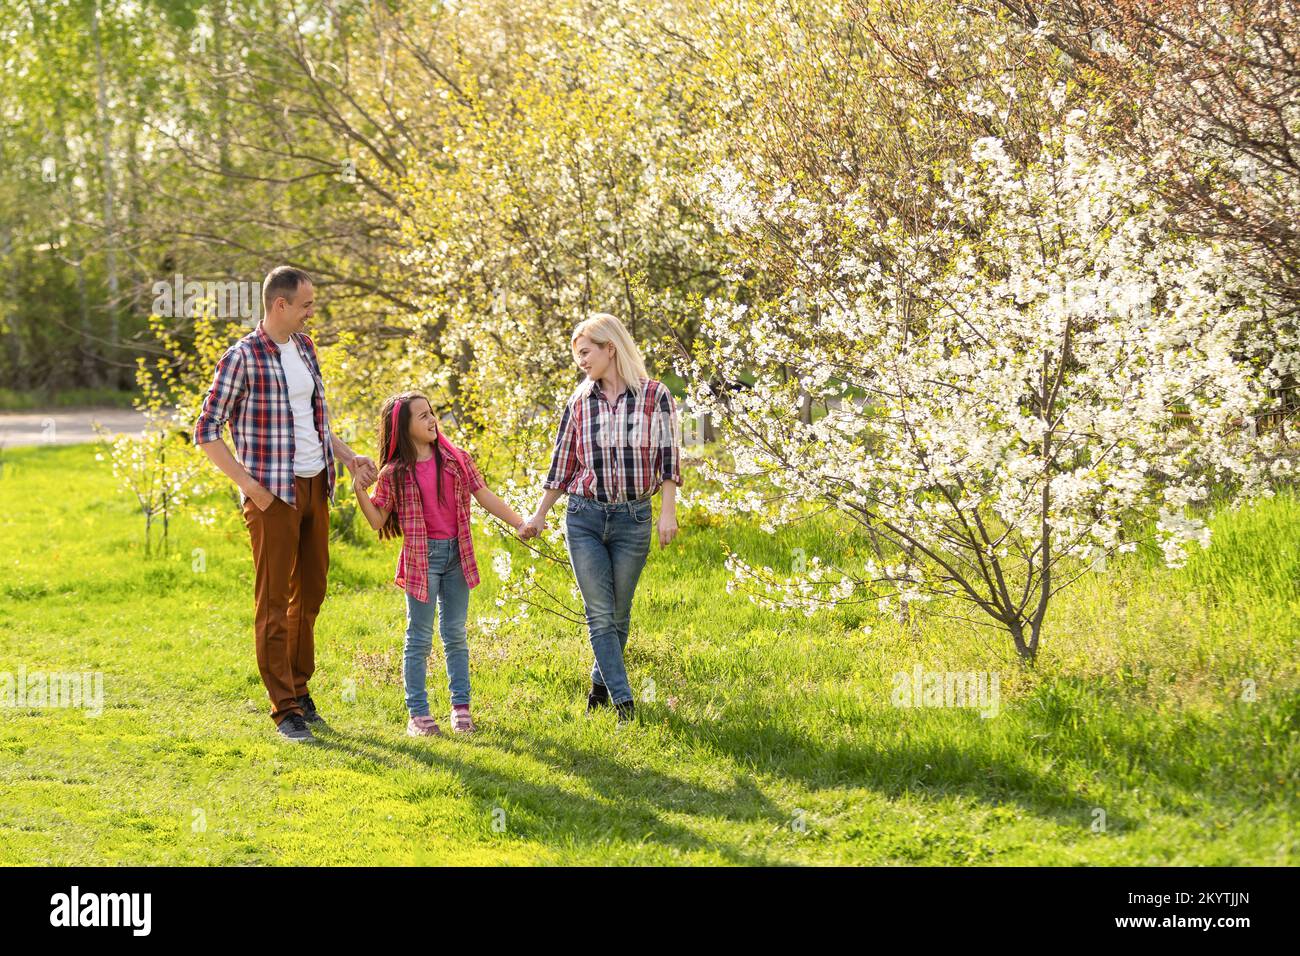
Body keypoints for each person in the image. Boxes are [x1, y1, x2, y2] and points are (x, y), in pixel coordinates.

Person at [194, 266, 376, 743]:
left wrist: (348, 455)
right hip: (273, 494)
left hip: (317, 484)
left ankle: (299, 687)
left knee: (310, 593)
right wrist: (251, 487)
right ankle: (284, 708)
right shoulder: (243, 358)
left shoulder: (306, 347)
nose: (312, 312)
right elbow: (206, 431)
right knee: (274, 601)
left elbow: (314, 420)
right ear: (281, 305)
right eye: (306, 304)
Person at [520, 313, 682, 723]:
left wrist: (668, 513)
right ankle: (625, 704)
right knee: (600, 614)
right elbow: (562, 465)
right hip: (584, 517)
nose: (581, 362)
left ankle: (598, 689)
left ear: (611, 347)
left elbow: (669, 459)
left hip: (633, 519)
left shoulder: (655, 396)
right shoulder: (578, 401)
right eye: (577, 355)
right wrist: (540, 515)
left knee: (619, 613)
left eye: (586, 352)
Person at [354, 391, 527, 736]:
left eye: (431, 413)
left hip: (457, 557)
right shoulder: (394, 473)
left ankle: (461, 709)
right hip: (422, 560)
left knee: (455, 634)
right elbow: (377, 520)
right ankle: (418, 714)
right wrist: (360, 490)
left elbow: (485, 495)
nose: (433, 420)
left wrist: (520, 522)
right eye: (422, 416)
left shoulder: (456, 460)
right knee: (418, 638)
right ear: (403, 427)